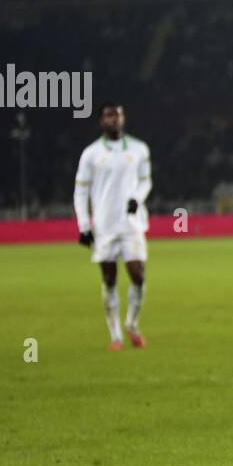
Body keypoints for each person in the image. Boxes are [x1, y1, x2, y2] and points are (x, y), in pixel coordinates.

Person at [73, 104, 151, 350]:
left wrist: (136, 198)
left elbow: (145, 181)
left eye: (117, 114)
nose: (114, 119)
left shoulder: (139, 149)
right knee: (109, 279)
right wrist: (84, 225)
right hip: (104, 226)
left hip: (131, 224)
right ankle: (115, 335)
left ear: (123, 118)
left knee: (138, 275)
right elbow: (80, 191)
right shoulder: (91, 154)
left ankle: (132, 324)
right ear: (101, 121)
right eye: (109, 115)